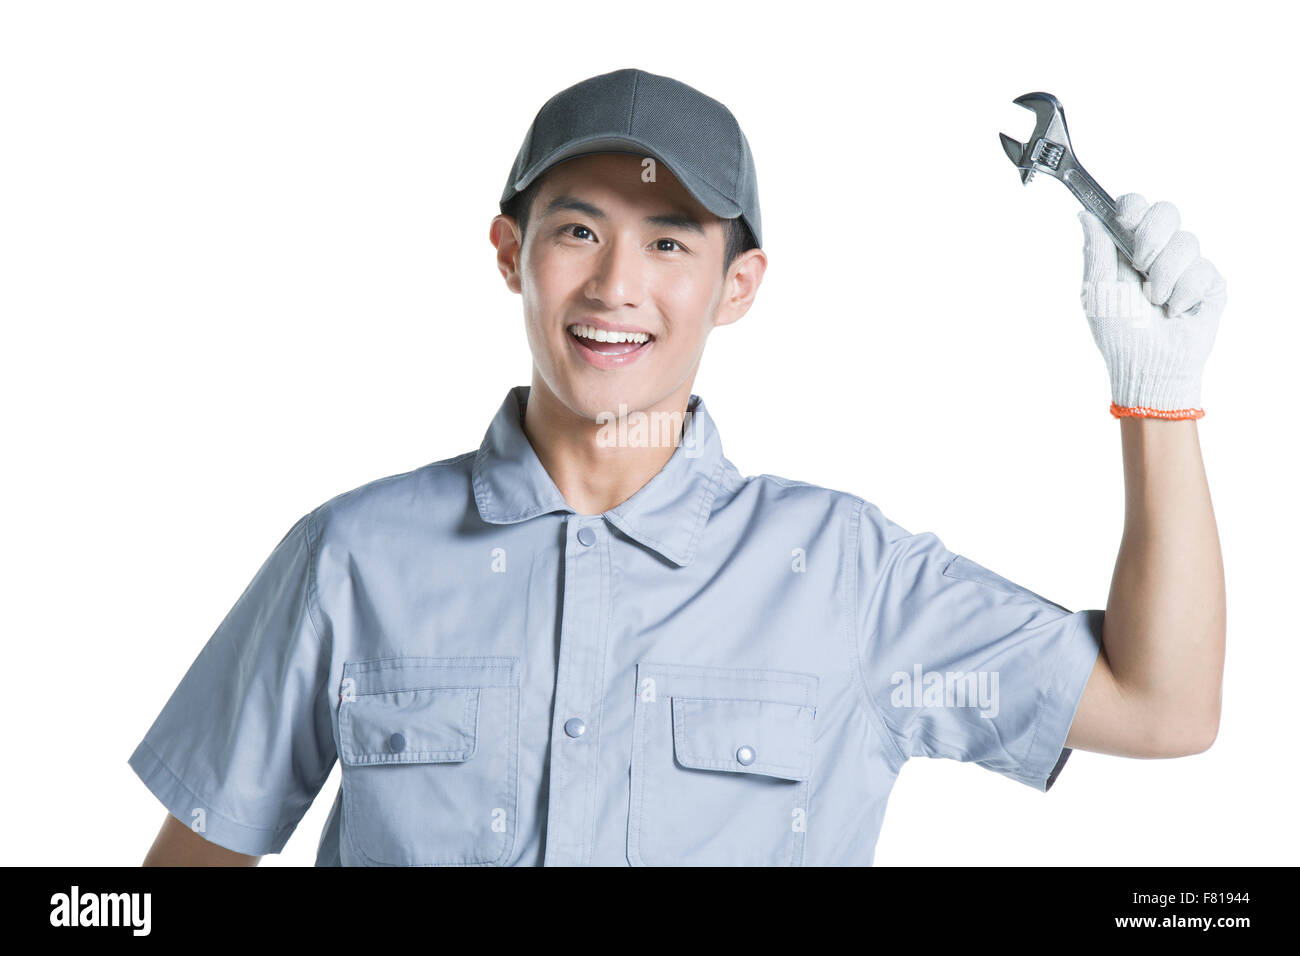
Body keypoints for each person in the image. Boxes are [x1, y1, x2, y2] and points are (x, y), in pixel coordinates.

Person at [130, 67, 1227, 866]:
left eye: (668, 241)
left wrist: (1158, 394)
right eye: (575, 231)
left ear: (736, 284)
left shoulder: (849, 580)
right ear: (511, 254)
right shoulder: (353, 557)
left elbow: (1161, 705)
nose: (615, 285)